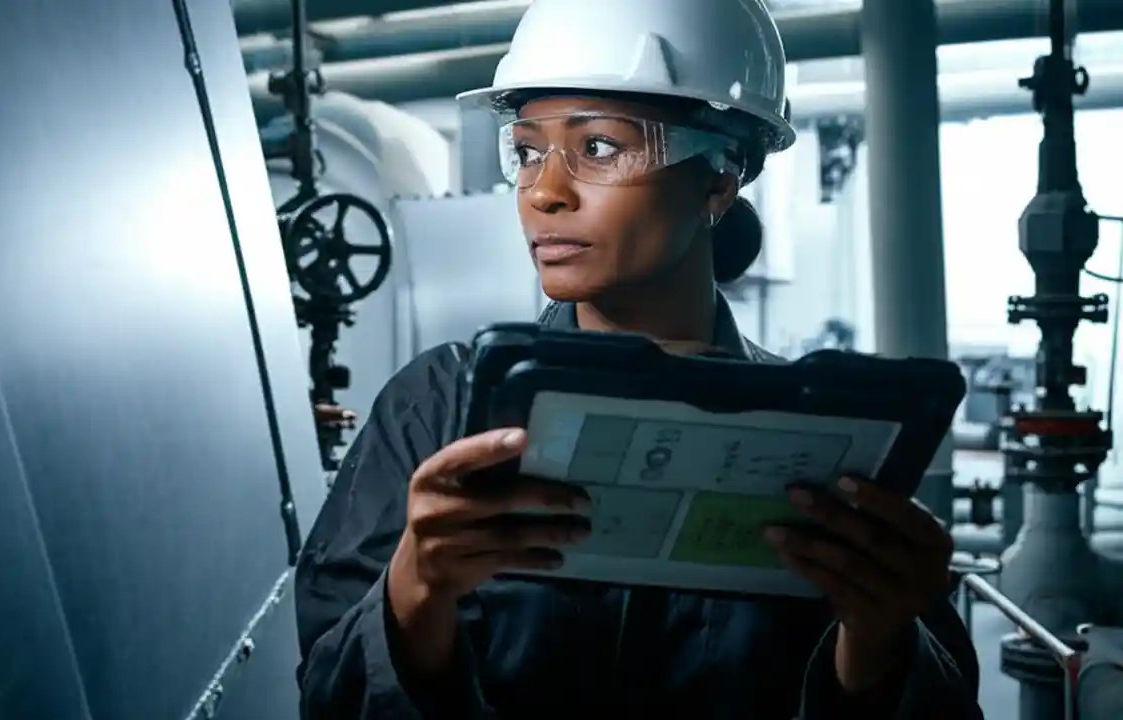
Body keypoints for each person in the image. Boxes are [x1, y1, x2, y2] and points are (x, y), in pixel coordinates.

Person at [294, 0, 982, 717]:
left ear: (719, 177)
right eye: (526, 152)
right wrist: (412, 594)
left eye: (599, 147)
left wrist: (879, 643)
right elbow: (326, 696)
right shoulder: (438, 407)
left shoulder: (820, 440)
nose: (544, 193)